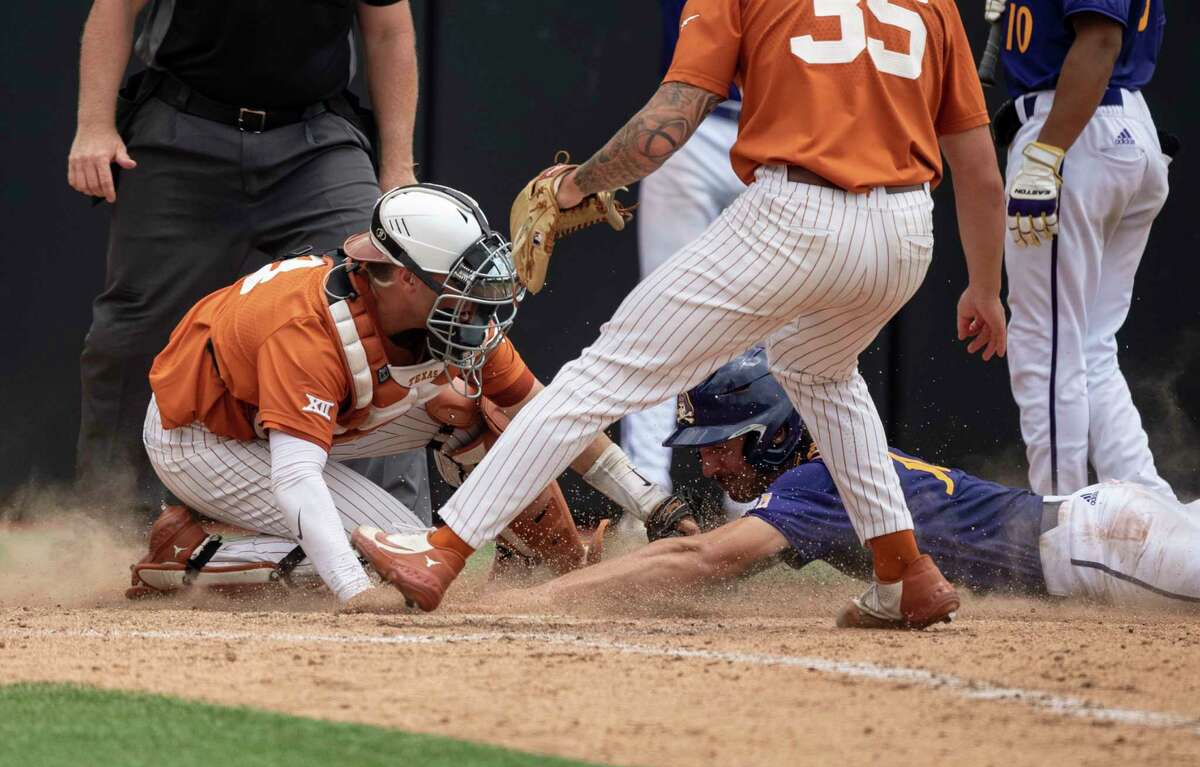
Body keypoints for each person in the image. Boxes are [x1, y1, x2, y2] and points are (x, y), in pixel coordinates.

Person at [352, 0, 1009, 629]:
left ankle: (443, 548)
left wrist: (574, 183)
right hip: (904, 231)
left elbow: (673, 116)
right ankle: (905, 571)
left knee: (597, 378)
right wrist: (984, 286)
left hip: (797, 211)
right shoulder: (932, 3)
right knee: (822, 371)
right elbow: (979, 171)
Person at [126, 186, 691, 603]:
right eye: (457, 286)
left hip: (279, 419)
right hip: (203, 436)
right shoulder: (307, 331)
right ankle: (190, 554)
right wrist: (352, 589)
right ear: (401, 276)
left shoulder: (441, 319)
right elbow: (295, 476)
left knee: (476, 406)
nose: (474, 306)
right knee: (389, 564)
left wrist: (651, 502)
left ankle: (536, 557)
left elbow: (546, 418)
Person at [68, 0, 429, 522]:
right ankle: (112, 531)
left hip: (316, 139)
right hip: (184, 125)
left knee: (374, 307)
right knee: (129, 334)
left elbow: (389, 33)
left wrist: (396, 167)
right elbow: (115, 8)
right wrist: (94, 125)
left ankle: (392, 531)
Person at [513, 351, 1200, 616]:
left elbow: (705, 561)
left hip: (1103, 547)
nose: (712, 466)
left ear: (773, 429)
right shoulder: (824, 467)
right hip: (1097, 528)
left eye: (721, 445)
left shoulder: (819, 478)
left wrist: (547, 599)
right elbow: (708, 563)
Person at [986, 0, 1173, 497]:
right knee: (1089, 346)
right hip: (1115, 125)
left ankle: (1059, 515)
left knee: (1044, 343)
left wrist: (1046, 153)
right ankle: (1148, 509)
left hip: (1073, 123)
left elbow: (1101, 40)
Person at [622, 0, 746, 501]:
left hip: (781, 134)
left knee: (775, 327)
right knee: (660, 317)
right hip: (690, 121)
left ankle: (758, 499)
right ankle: (645, 497)